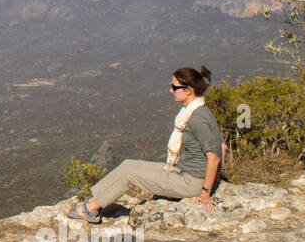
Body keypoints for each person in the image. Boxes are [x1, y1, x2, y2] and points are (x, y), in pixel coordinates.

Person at [63, 65, 229, 223]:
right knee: (127, 165)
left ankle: (90, 209)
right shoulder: (197, 110)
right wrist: (215, 180)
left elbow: (214, 157)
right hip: (182, 172)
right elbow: (223, 146)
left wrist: (206, 192)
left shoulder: (197, 118)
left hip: (190, 181)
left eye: (175, 87)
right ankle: (93, 200)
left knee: (129, 174)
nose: (171, 90)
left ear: (188, 90)